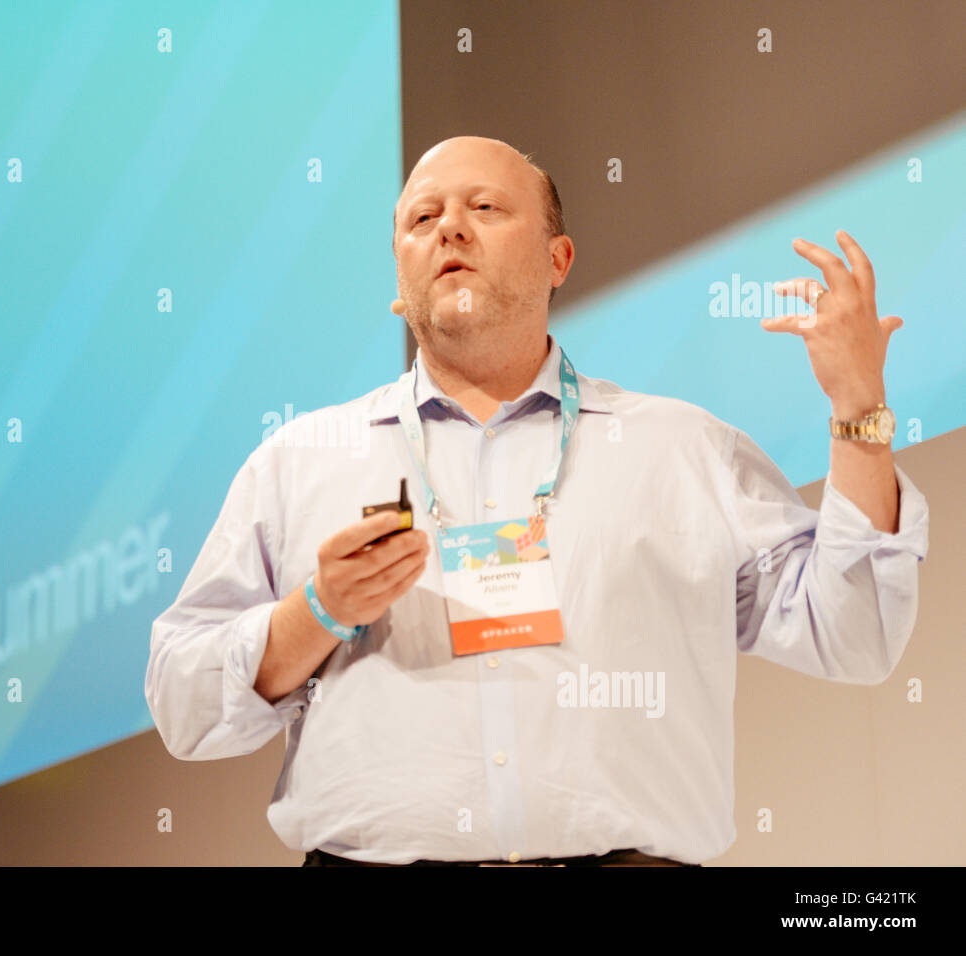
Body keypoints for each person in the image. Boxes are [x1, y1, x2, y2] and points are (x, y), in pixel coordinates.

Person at [144, 136, 929, 866]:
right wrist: (313, 612)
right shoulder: (298, 461)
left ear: (559, 259)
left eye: (484, 208)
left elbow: (853, 634)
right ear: (397, 280)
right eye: (423, 217)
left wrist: (859, 406)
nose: (450, 227)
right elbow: (182, 705)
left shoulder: (684, 449)